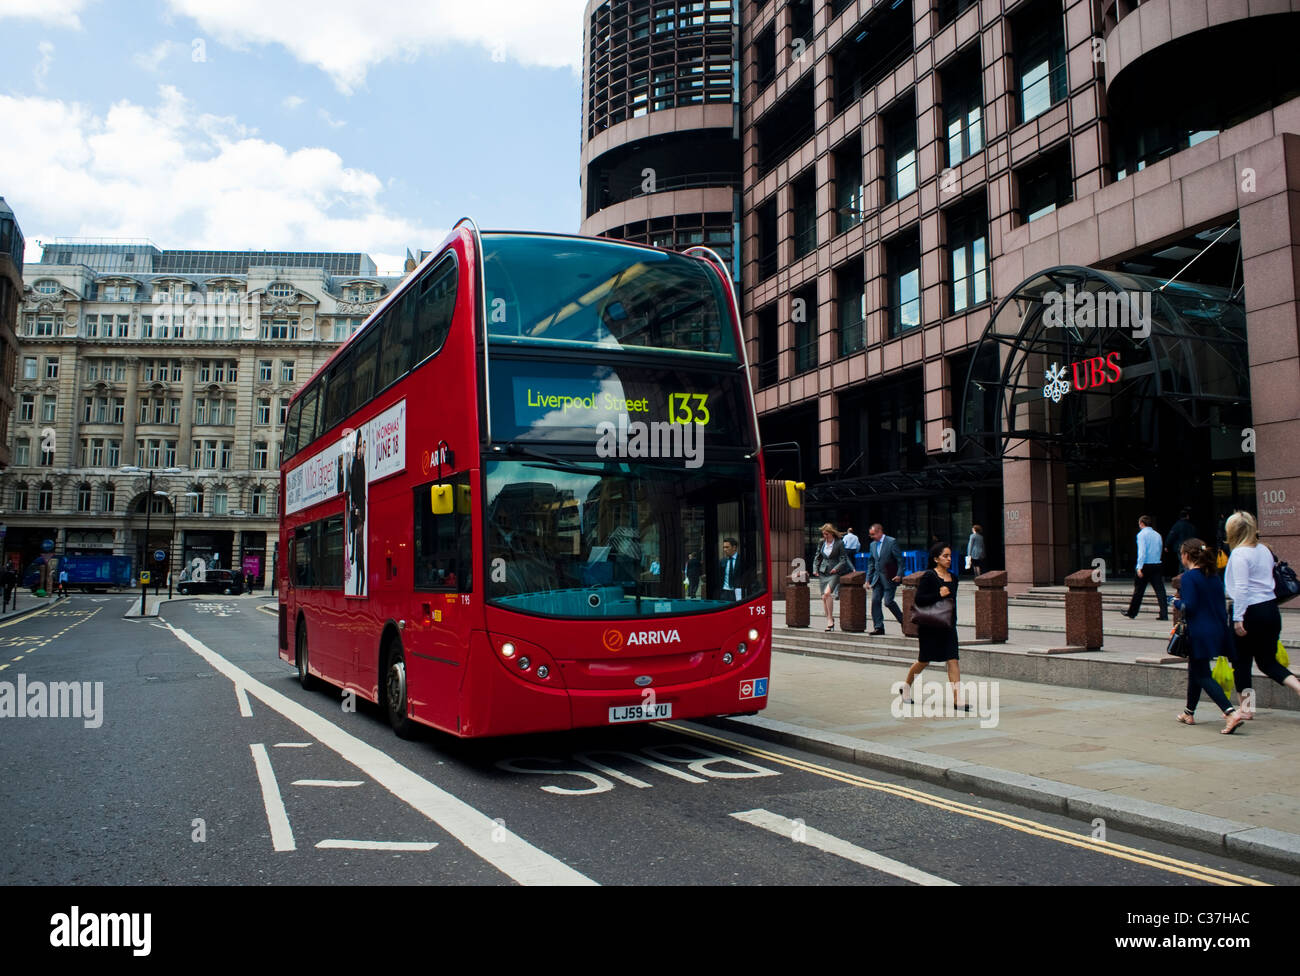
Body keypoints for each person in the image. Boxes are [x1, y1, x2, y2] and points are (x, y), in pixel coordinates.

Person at [1224, 511, 1300, 717]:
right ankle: (1298, 686)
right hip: (1270, 609)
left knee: (1241, 662)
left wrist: (1238, 618)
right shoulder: (1264, 550)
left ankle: (1247, 709)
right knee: (1267, 662)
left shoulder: (1239, 554)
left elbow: (1241, 589)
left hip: (1250, 611)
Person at [1173, 539, 1246, 733]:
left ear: (1187, 556)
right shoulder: (1213, 576)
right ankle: (1189, 712)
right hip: (1217, 629)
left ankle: (1231, 713)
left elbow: (1190, 606)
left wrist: (1176, 602)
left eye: (1181, 554)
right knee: (1195, 670)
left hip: (1199, 631)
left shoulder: (1189, 577)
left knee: (1202, 674)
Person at [899, 543, 966, 709]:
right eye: (945, 556)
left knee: (953, 660)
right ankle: (906, 687)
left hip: (948, 626)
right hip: (930, 626)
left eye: (950, 556)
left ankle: (958, 699)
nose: (949, 559)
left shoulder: (954, 578)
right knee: (924, 661)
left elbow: (952, 604)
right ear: (936, 559)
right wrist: (938, 594)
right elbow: (919, 600)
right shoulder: (929, 576)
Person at [1122, 515, 1167, 620]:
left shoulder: (1141, 535)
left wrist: (1139, 567)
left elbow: (1142, 552)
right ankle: (1164, 614)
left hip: (1145, 565)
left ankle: (1132, 612)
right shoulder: (1157, 535)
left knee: (1139, 590)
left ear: (1141, 523)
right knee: (1160, 591)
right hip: (1156, 564)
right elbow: (1159, 549)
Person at [811, 523, 851, 631]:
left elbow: (843, 559)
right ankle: (830, 619)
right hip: (823, 572)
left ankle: (830, 620)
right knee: (824, 597)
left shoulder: (839, 543)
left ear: (832, 533)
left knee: (827, 593)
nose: (825, 536)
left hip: (834, 572)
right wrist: (815, 569)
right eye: (823, 534)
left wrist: (837, 568)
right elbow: (817, 556)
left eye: (827, 534)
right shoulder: (822, 542)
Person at [865, 523, 903, 635]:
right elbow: (871, 563)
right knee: (875, 601)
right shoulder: (872, 545)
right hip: (877, 579)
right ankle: (879, 627)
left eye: (873, 534)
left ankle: (903, 621)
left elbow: (900, 560)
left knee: (888, 602)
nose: (871, 537)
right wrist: (868, 579)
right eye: (870, 534)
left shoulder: (891, 542)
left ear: (880, 532)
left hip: (890, 577)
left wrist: (899, 574)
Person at [348, 434, 367, 595]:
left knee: (361, 549)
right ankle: (359, 588)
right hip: (355, 511)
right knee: (357, 545)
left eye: (361, 445)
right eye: (358, 446)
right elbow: (352, 491)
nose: (360, 449)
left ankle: (361, 587)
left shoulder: (362, 465)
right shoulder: (353, 466)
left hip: (362, 511)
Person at [1165, 508, 1197, 573]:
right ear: (1187, 516)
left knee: (1182, 563)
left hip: (1181, 547)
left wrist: (1166, 545)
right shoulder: (1191, 526)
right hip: (1191, 547)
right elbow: (1196, 537)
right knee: (1190, 562)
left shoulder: (1177, 525)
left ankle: (1183, 578)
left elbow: (1171, 536)